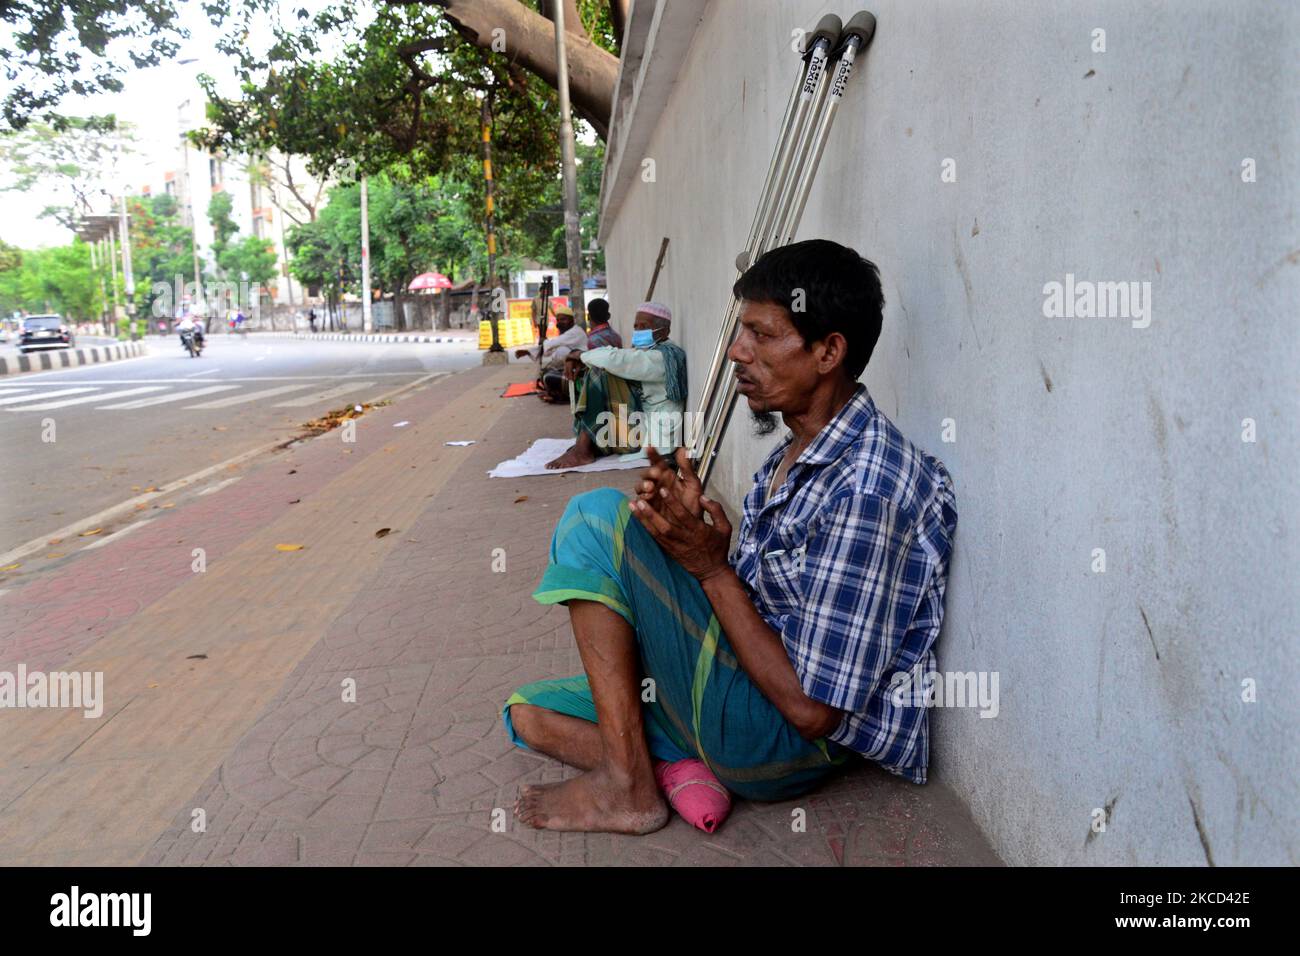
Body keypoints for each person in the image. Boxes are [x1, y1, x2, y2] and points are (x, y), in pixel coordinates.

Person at [502, 239, 958, 834]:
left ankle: (629, 786)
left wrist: (711, 569)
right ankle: (666, 771)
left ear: (828, 351)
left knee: (594, 518)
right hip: (741, 687)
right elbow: (765, 604)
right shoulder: (791, 456)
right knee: (530, 713)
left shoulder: (869, 490)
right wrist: (693, 537)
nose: (738, 353)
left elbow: (813, 711)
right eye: (742, 332)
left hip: (781, 740)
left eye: (762, 336)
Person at [544, 302, 686, 469]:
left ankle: (583, 448)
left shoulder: (663, 357)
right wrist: (578, 357)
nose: (638, 331)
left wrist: (578, 355)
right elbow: (619, 356)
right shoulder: (648, 351)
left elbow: (616, 359)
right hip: (639, 424)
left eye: (644, 327)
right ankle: (585, 443)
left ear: (664, 331)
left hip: (652, 437)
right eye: (636, 326)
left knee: (600, 373)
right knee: (600, 369)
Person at [513, 304, 588, 402]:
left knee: (551, 372)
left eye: (563, 319)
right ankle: (553, 392)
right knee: (549, 370)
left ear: (571, 320)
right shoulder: (569, 332)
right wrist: (532, 350)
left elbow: (554, 343)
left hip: (580, 371)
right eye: (558, 320)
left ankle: (560, 395)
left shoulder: (575, 332)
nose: (560, 323)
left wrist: (535, 348)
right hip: (571, 368)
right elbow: (551, 347)